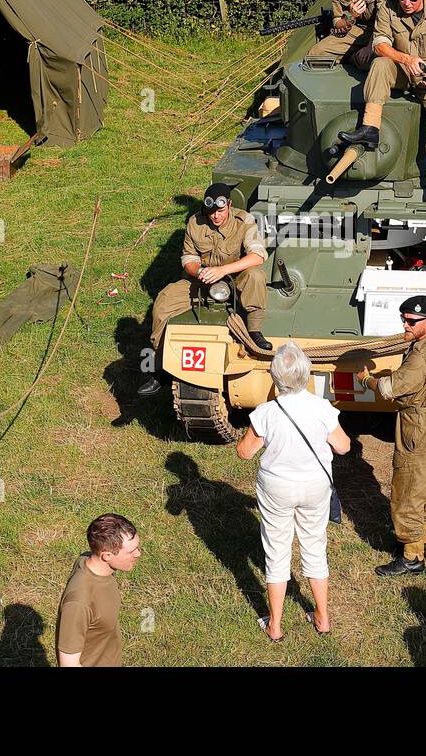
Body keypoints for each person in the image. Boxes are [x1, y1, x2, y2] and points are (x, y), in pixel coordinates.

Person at [236, 343, 351, 641]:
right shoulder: (322, 408)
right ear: (307, 375)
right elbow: (343, 446)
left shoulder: (266, 413)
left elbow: (245, 452)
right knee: (314, 546)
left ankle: (275, 624)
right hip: (315, 485)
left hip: (276, 487)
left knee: (276, 551)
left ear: (275, 377)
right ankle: (322, 617)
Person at [338, 0, 426, 209]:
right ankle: (370, 128)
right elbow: (380, 43)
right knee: (380, 64)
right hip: (401, 69)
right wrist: (406, 60)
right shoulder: (388, 8)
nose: (406, 3)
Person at [358, 294, 426, 576]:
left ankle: (412, 556)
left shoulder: (420, 355)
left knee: (407, 488)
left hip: (417, 423)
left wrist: (367, 380)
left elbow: (390, 388)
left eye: (411, 320)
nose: (405, 323)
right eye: (403, 318)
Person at [138, 183, 270, 395]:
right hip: (202, 278)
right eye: (211, 212)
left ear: (229, 205)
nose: (216, 216)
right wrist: (200, 272)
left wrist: (223, 270)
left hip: (235, 275)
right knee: (164, 301)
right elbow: (188, 258)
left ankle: (255, 331)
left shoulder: (244, 220)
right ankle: (161, 364)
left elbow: (258, 255)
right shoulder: (195, 223)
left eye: (220, 211)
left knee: (256, 275)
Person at [56, 514, 141, 667]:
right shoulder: (79, 603)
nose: (138, 554)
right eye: (131, 551)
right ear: (107, 555)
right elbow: (69, 664)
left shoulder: (87, 560)